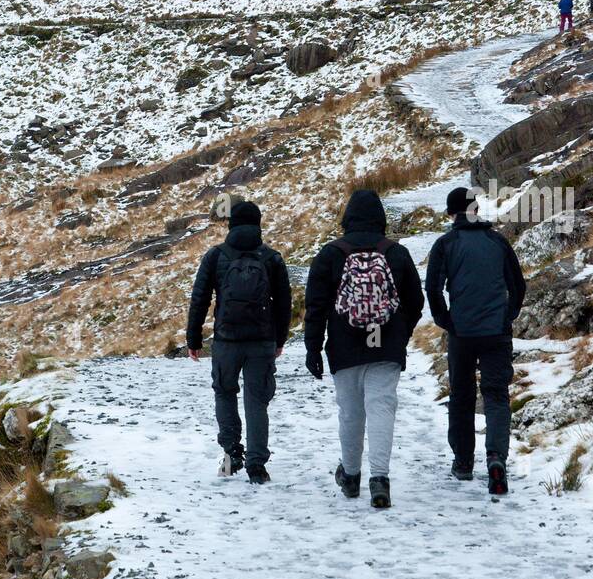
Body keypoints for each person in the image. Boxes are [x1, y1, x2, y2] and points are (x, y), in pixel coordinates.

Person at [303, 189, 424, 508]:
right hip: (386, 346)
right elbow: (415, 301)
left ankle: (352, 476)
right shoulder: (396, 253)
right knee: (382, 408)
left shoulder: (330, 254)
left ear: (347, 218)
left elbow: (315, 307)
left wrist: (313, 349)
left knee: (351, 412)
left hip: (345, 345)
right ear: (380, 218)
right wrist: (401, 334)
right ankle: (380, 480)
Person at [425, 186, 526, 495]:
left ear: (450, 214)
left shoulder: (446, 244)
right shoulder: (498, 241)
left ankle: (464, 462)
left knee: (462, 395)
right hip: (496, 332)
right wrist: (506, 317)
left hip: (462, 334)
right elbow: (518, 286)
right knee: (496, 396)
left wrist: (446, 320)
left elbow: (432, 288)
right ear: (477, 210)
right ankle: (496, 459)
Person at [186, 199, 291, 484]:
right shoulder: (271, 258)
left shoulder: (215, 256)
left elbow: (200, 299)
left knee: (224, 392)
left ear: (230, 225)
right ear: (258, 225)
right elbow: (284, 304)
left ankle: (232, 454)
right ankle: (257, 465)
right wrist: (279, 339)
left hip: (226, 340)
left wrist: (193, 338)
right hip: (261, 341)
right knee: (257, 401)